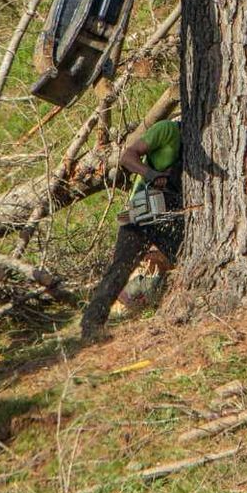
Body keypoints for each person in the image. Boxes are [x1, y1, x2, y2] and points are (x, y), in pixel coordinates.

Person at [81, 118, 181, 333]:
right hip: (143, 210)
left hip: (170, 215)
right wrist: (151, 174)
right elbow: (128, 156)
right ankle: (91, 323)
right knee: (121, 267)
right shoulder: (167, 129)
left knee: (183, 258)